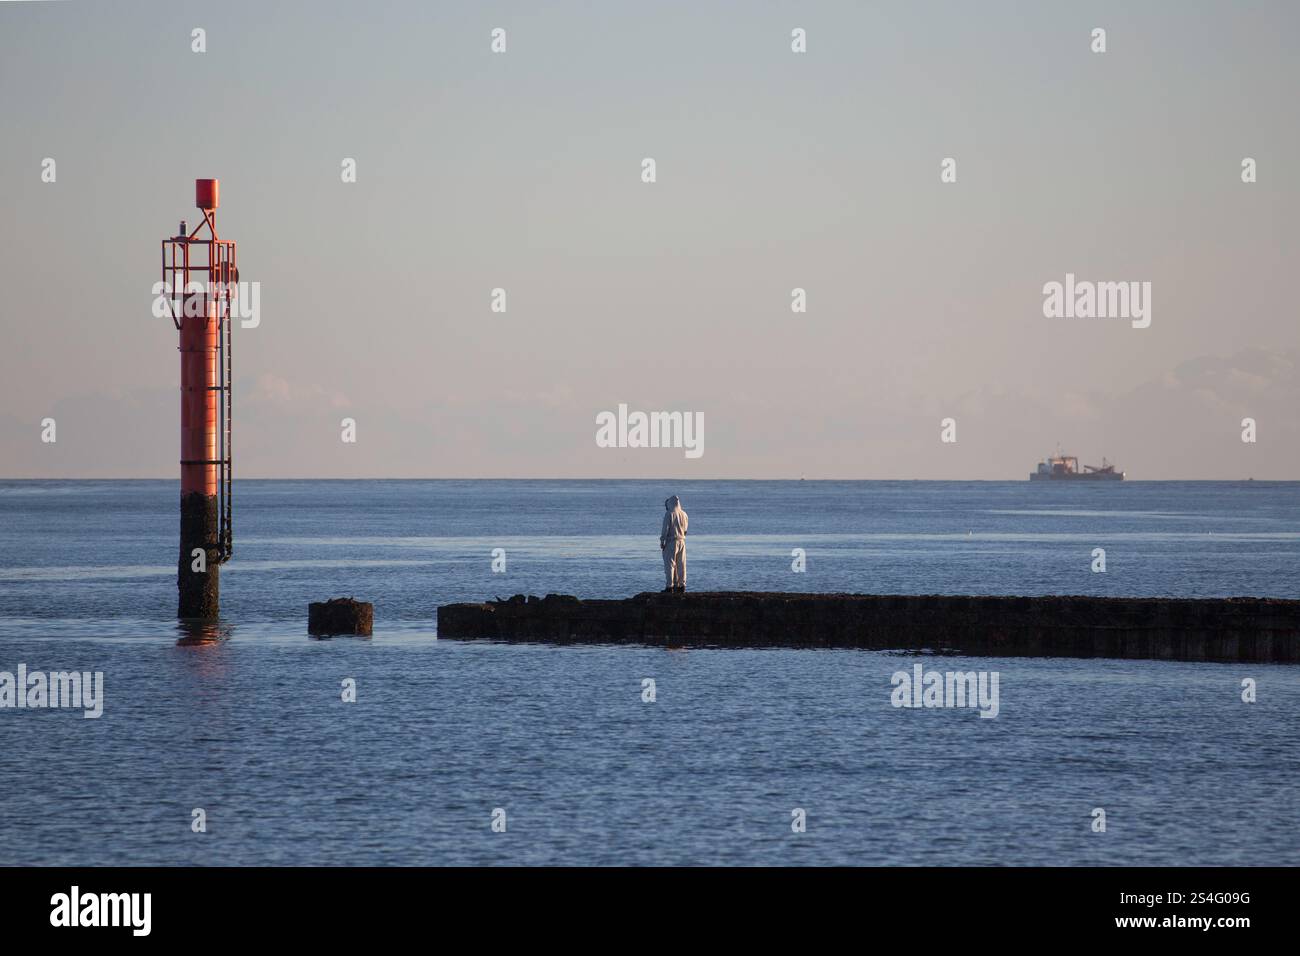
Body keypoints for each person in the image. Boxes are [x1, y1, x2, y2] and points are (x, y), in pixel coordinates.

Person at [659, 495, 688, 592]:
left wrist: (662, 541)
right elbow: (685, 530)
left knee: (670, 564)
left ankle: (669, 586)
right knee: (681, 564)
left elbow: (665, 529)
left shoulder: (669, 514)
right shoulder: (684, 514)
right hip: (682, 542)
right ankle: (681, 586)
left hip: (671, 541)